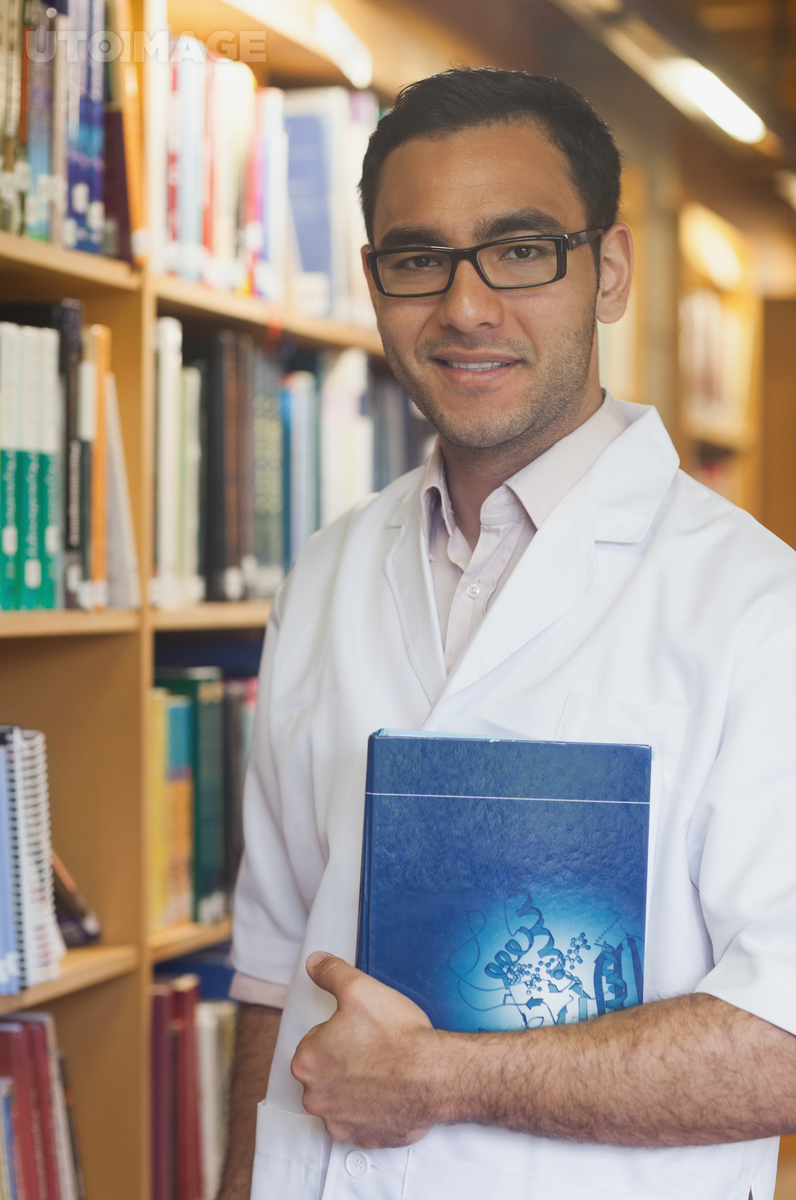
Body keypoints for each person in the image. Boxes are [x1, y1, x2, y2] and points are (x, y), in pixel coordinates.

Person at [221, 69, 796, 1200]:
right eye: (416, 258)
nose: (466, 306)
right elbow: (267, 972)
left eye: (520, 249)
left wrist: (439, 1079)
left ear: (609, 272)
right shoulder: (327, 573)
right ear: (376, 280)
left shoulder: (755, 609)